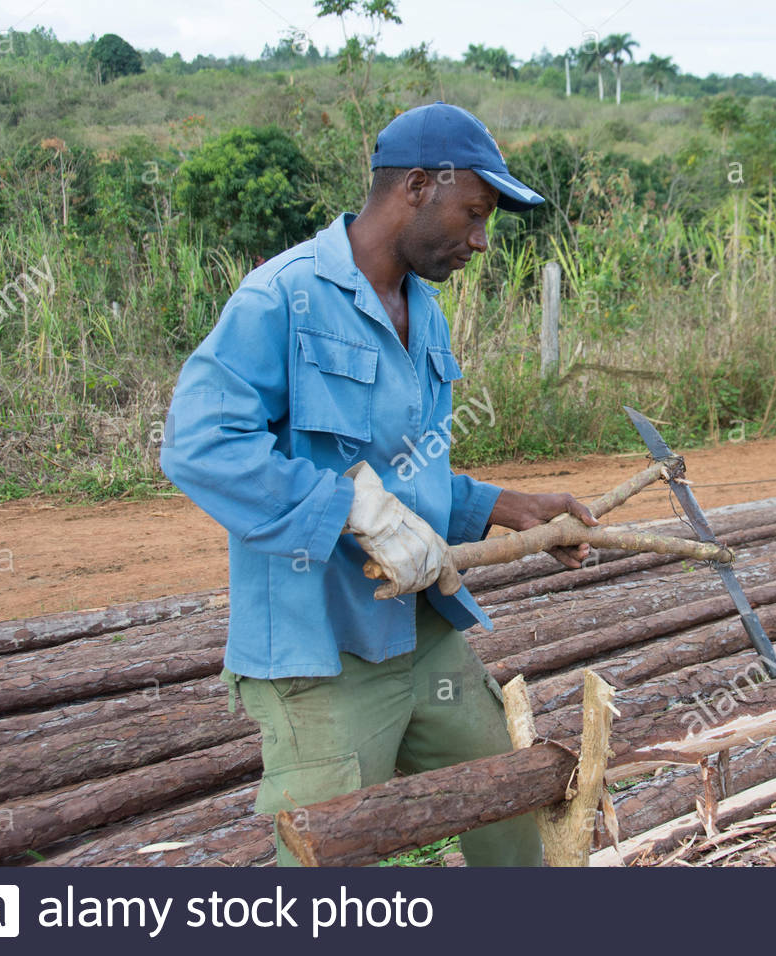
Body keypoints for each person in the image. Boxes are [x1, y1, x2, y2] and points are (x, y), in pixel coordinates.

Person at [159, 102, 598, 866]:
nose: (480, 240)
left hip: (421, 636)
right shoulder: (281, 298)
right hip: (321, 649)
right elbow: (199, 445)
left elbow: (409, 480)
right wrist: (349, 507)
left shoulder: (424, 313)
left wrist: (503, 505)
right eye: (473, 213)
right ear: (418, 187)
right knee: (324, 860)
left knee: (513, 815)